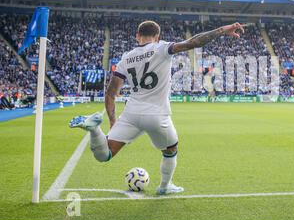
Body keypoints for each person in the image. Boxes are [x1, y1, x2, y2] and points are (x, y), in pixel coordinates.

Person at [69, 20, 244, 195]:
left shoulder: (126, 58)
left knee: (104, 154)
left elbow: (110, 93)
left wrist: (113, 121)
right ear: (157, 36)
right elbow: (193, 42)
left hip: (131, 114)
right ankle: (165, 186)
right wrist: (221, 30)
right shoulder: (162, 48)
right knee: (170, 150)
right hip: (156, 115)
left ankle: (94, 130)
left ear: (137, 36)